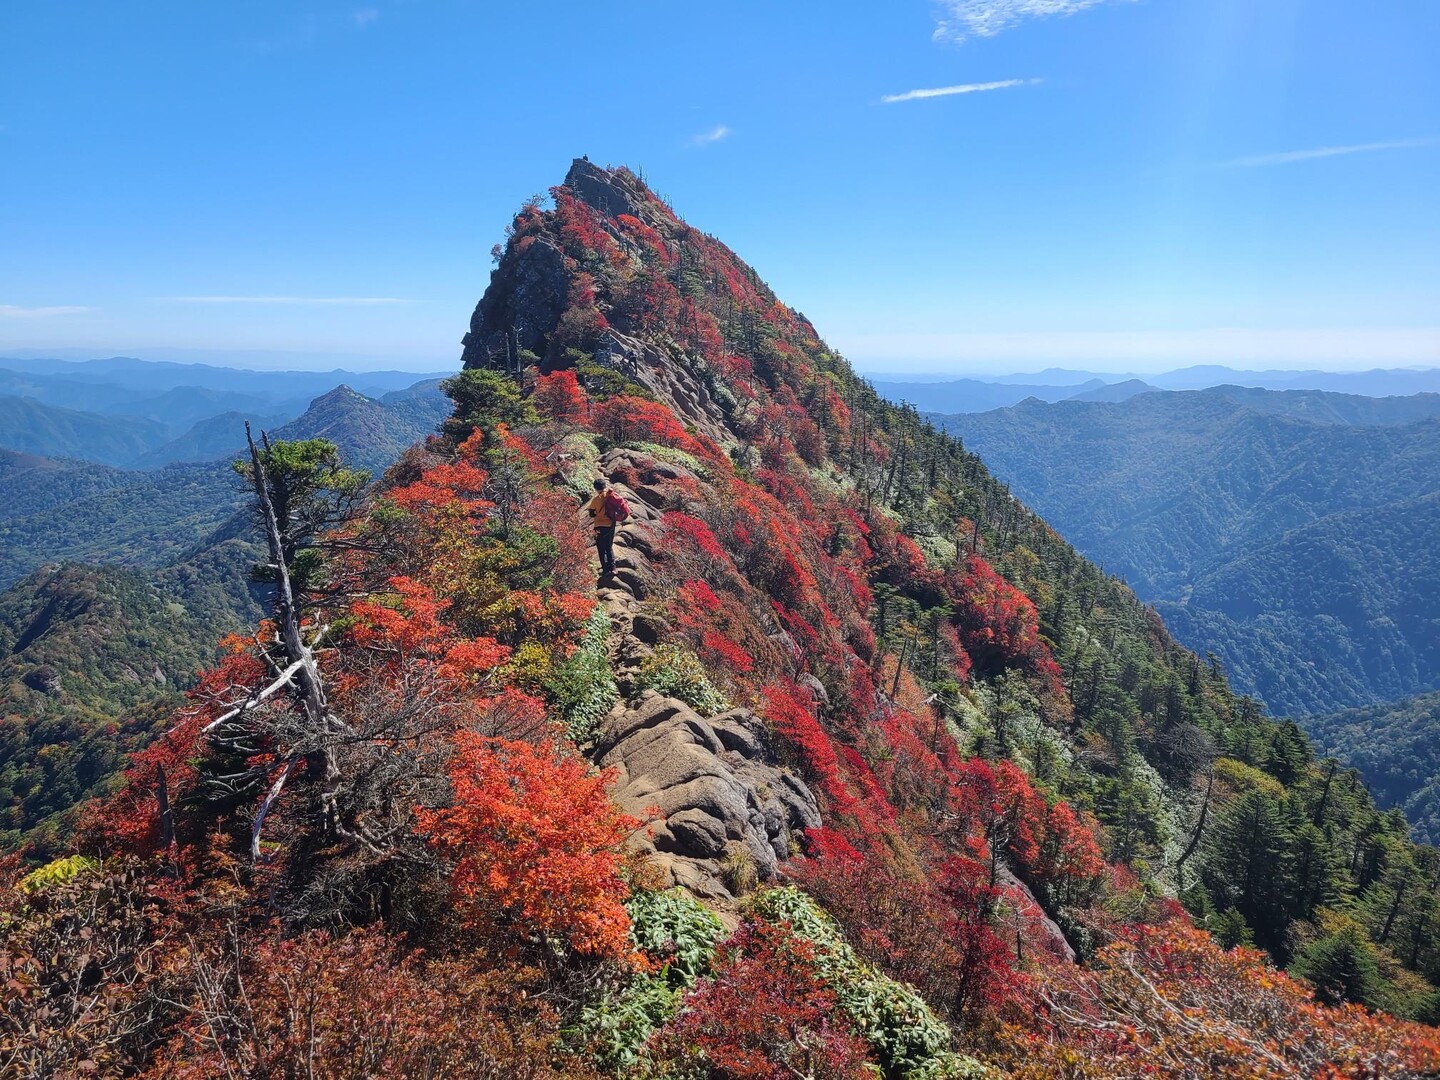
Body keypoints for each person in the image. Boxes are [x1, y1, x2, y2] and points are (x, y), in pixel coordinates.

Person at [586, 477, 617, 580]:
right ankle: (613, 568)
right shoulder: (611, 495)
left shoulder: (595, 500)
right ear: (605, 486)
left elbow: (591, 514)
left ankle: (606, 570)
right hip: (611, 524)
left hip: (599, 525)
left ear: (596, 488)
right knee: (609, 546)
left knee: (601, 548)